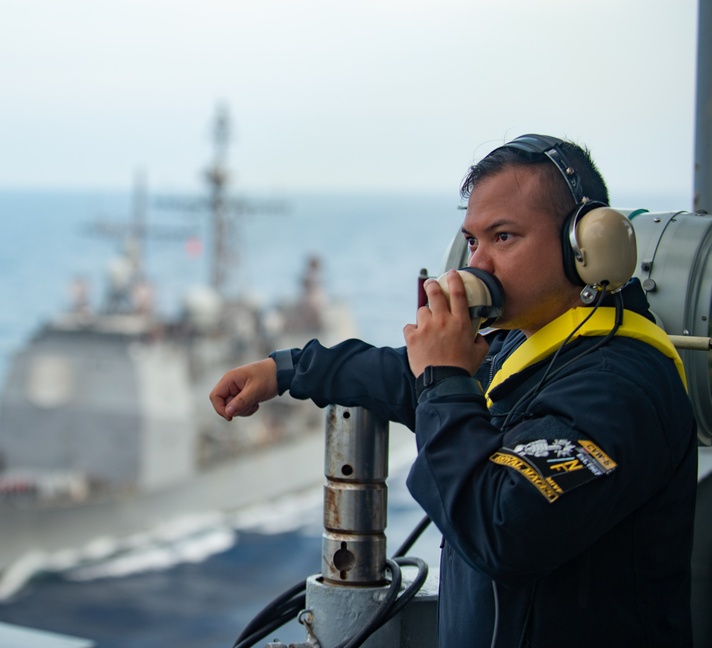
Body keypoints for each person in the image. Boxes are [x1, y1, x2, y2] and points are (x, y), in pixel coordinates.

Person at [209, 134, 697, 647]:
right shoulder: (523, 346)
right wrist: (288, 370)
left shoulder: (620, 387)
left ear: (584, 246)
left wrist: (444, 379)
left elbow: (501, 530)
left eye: (503, 237)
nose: (475, 265)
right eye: (472, 241)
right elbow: (405, 376)